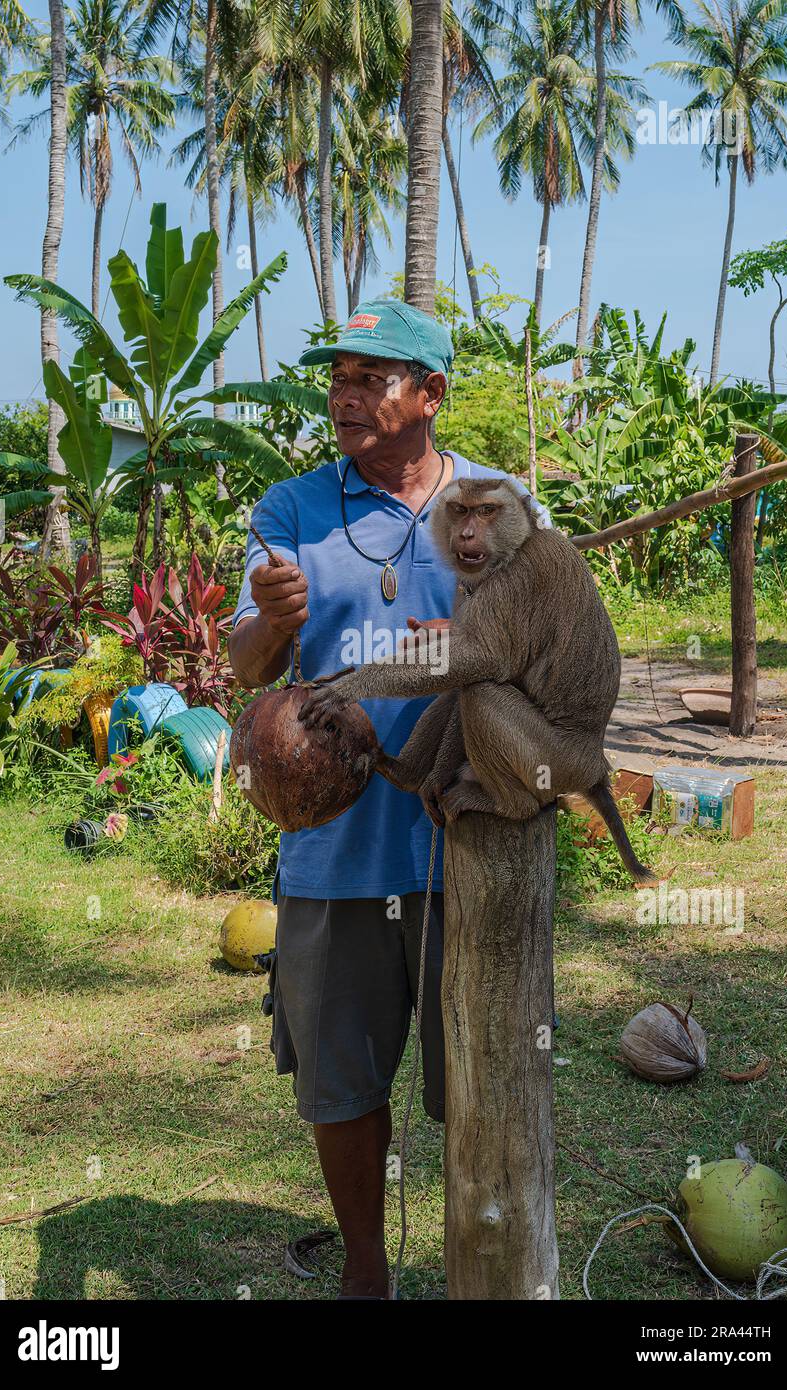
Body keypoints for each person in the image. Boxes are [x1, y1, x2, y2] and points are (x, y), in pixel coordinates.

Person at [229, 299, 550, 1299]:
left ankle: (481, 1257)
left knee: (484, 1080)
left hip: (473, 852)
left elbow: (549, 653)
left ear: (431, 395)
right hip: (336, 861)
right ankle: (366, 1272)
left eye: (372, 377)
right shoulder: (291, 508)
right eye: (339, 376)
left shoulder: (502, 504)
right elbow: (245, 664)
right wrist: (272, 625)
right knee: (340, 1084)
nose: (345, 395)